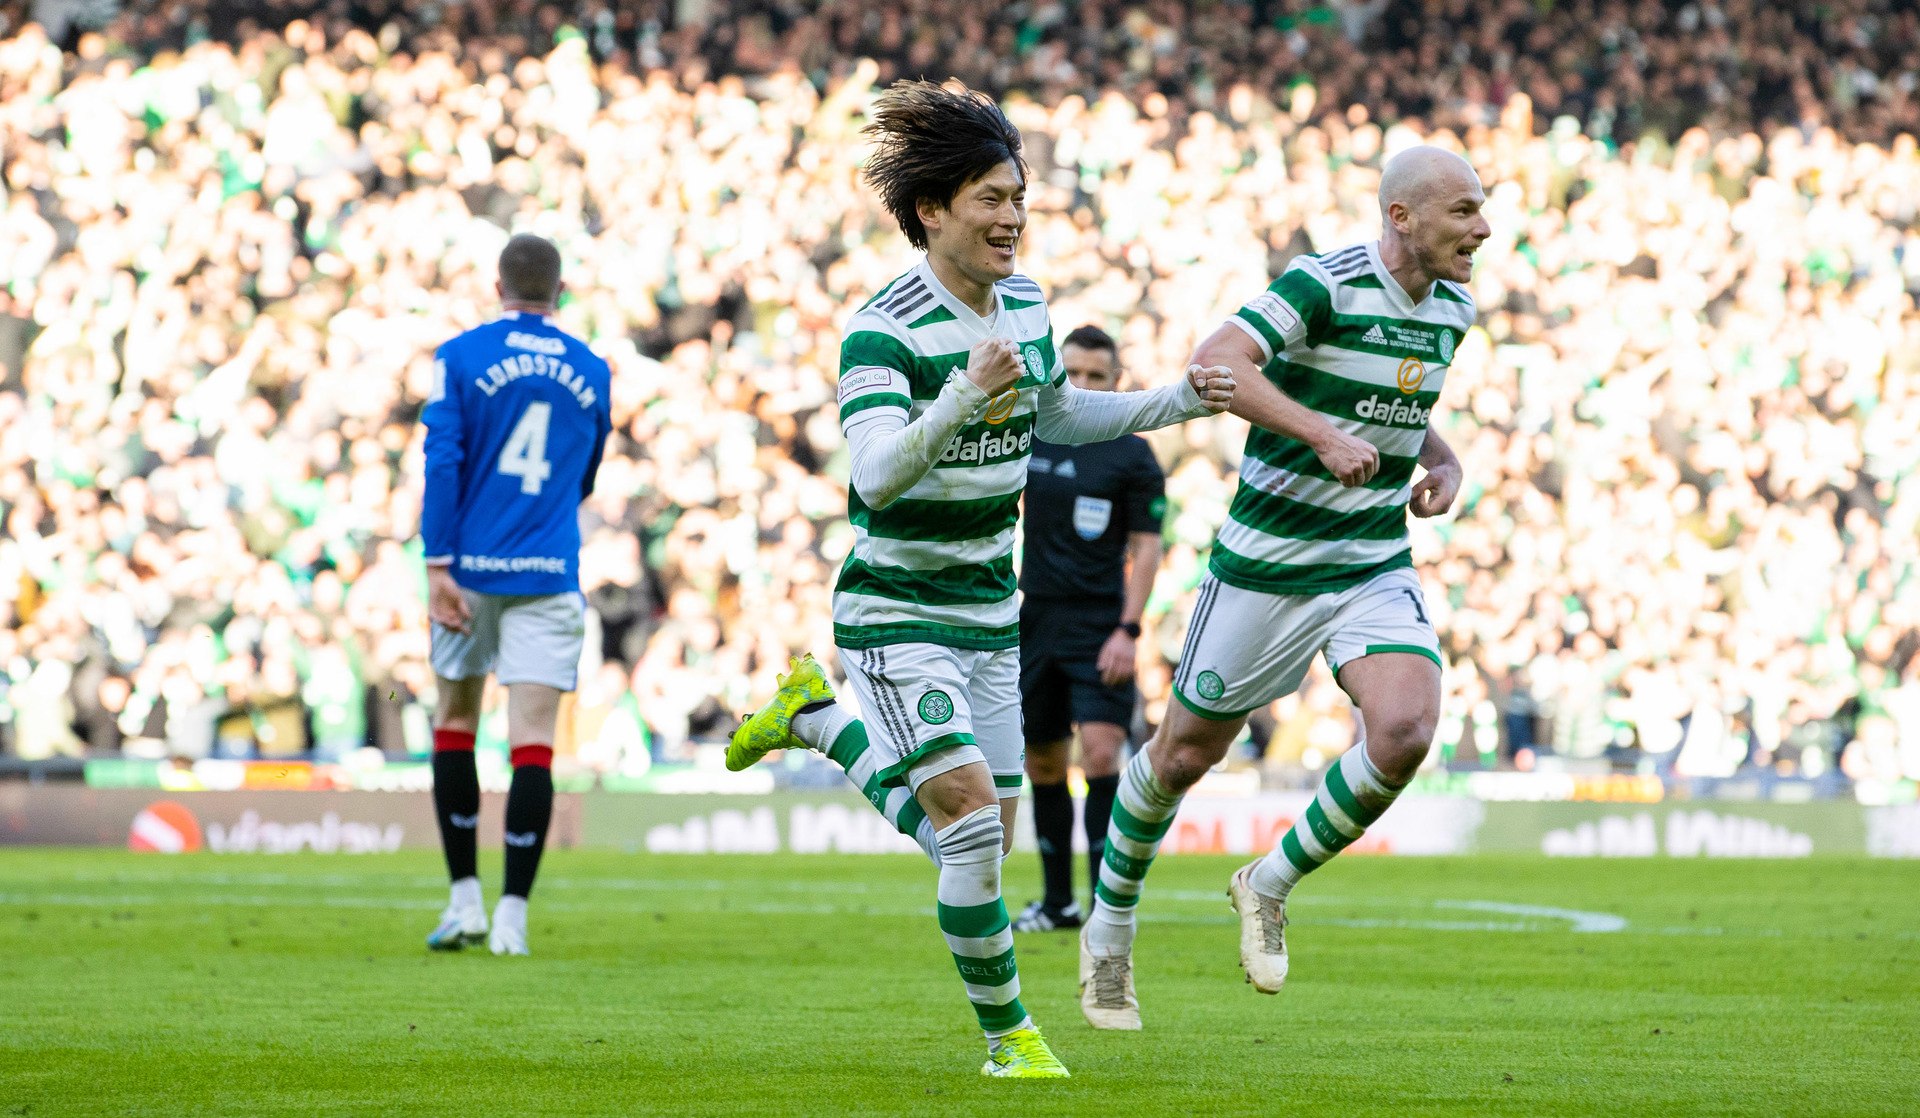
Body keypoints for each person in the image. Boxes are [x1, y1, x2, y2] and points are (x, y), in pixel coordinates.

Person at [725, 79, 1234, 1078]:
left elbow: (1056, 417)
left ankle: (818, 721)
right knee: (966, 830)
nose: (1013, 218)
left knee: (978, 839)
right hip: (895, 605)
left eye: (1019, 198)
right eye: (993, 199)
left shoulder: (1032, 305)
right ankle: (1012, 1039)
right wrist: (963, 391)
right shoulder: (884, 328)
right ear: (931, 210)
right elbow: (873, 473)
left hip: (987, 612)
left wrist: (1174, 400)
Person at [1077, 145, 1483, 1030]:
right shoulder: (1322, 283)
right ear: (1401, 217)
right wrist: (1320, 436)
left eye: (1481, 211)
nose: (1482, 229)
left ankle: (1267, 882)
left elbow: (1402, 403)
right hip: (1266, 563)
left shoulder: (1454, 306)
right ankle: (1108, 934)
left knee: (1408, 727)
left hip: (1370, 559)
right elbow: (1216, 362)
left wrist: (1441, 458)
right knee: (1183, 756)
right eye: (1463, 212)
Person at [418, 234, 613, 956]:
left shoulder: (461, 357)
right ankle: (513, 919)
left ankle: (463, 899)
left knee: (455, 718)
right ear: (559, 292)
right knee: (532, 742)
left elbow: (443, 459)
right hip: (547, 571)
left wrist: (438, 564)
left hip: (468, 569)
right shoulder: (592, 368)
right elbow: (586, 473)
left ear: (496, 283)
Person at [1011, 325, 1167, 934]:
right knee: (1043, 761)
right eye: (1070, 373)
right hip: (1033, 620)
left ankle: (1107, 906)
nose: (1081, 385)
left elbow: (1147, 549)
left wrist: (1128, 629)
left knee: (1102, 752)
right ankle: (1057, 904)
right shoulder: (1031, 435)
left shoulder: (1133, 454)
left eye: (1094, 376)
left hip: (1101, 622)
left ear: (1116, 382)